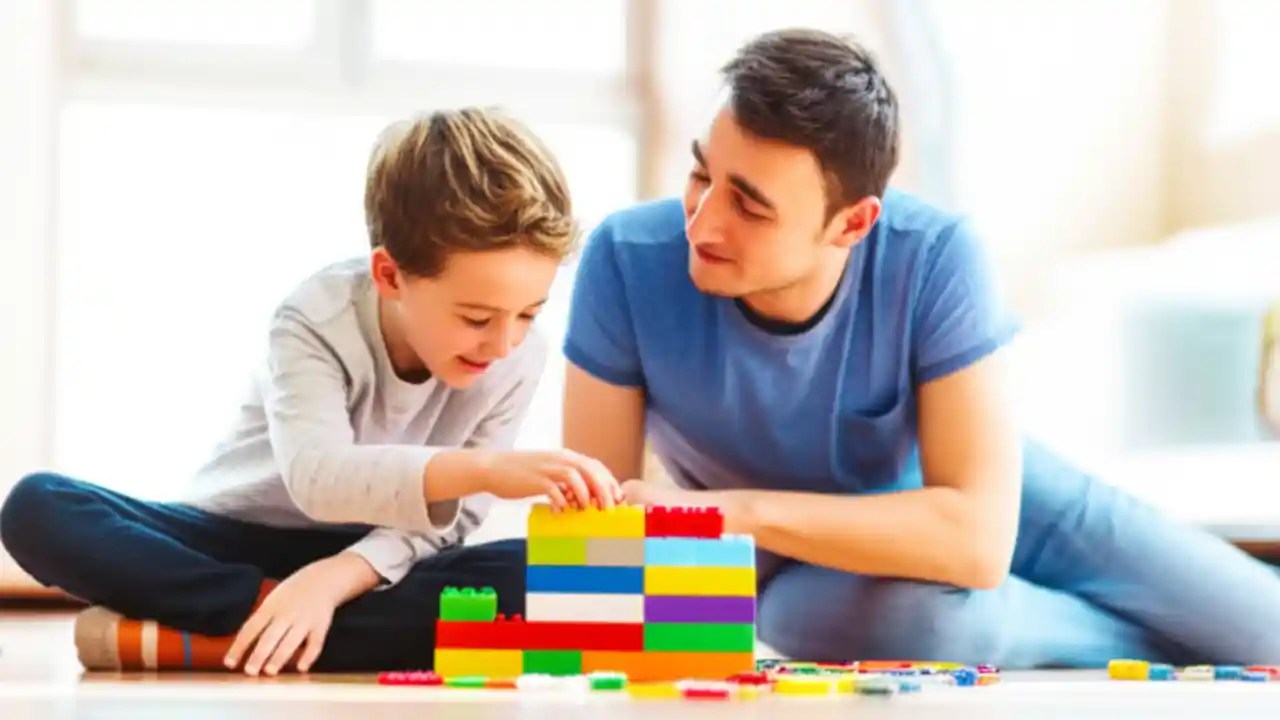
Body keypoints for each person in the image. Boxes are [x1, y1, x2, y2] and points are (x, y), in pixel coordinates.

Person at [561, 28, 1280, 668]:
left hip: (998, 502)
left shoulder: (935, 255)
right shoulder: (624, 261)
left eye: (749, 204)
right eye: (700, 175)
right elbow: (603, 542)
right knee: (912, 626)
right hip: (797, 570)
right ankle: (1137, 644)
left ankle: (1164, 634)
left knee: (1267, 630)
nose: (703, 223)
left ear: (853, 223)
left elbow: (976, 538)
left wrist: (727, 515)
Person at [0, 107, 620, 675]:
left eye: (529, 314)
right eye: (477, 319)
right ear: (390, 275)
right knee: (39, 507)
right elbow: (319, 478)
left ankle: (234, 631)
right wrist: (484, 469)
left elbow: (443, 528)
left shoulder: (517, 354)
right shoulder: (313, 318)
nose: (504, 343)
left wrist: (335, 578)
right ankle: (276, 617)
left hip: (374, 563)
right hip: (236, 546)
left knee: (540, 574)